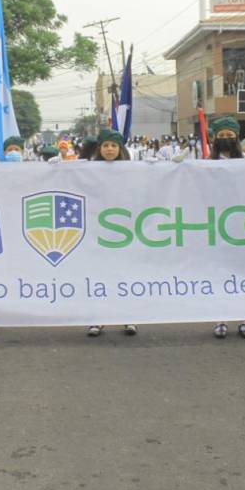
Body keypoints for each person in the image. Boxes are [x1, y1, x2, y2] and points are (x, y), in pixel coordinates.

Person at [207, 116, 245, 339]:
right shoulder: (207, 162)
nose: (226, 138)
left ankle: (244, 319)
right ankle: (221, 318)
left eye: (230, 135)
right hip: (216, 224)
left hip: (243, 223)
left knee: (243, 272)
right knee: (220, 273)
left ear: (237, 136)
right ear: (214, 138)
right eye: (221, 135)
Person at [86, 129, 137, 337]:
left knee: (125, 274)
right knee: (100, 276)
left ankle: (128, 317)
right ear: (99, 149)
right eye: (105, 145)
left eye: (113, 146)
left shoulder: (133, 171)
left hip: (125, 231)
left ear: (120, 149)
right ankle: (98, 318)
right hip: (98, 231)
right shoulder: (88, 170)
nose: (109, 149)